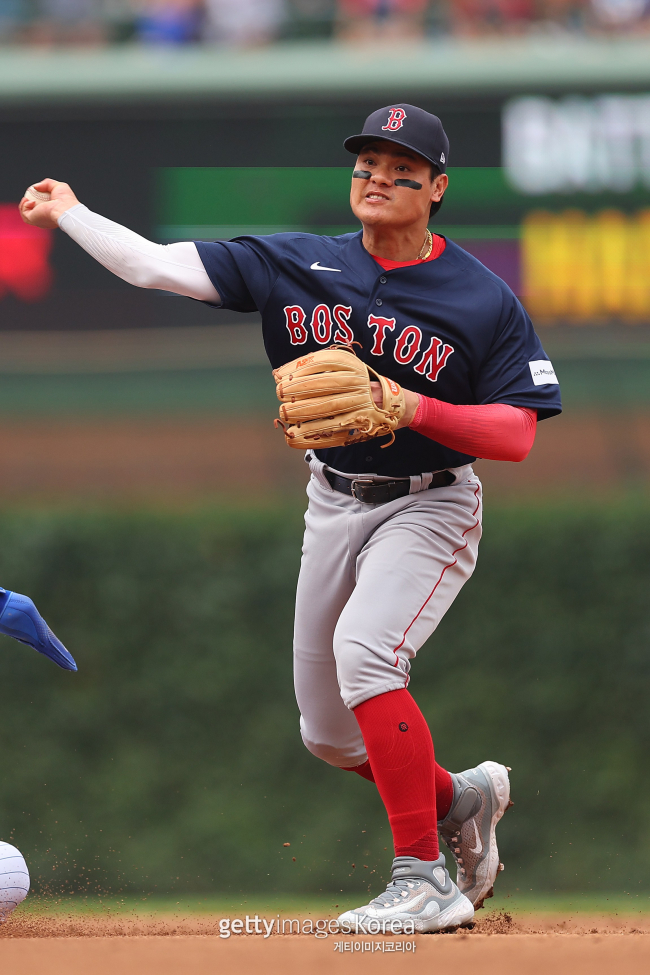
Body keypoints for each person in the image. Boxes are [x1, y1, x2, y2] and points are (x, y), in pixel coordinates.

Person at [19, 103, 561, 932]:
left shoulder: (481, 297)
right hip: (331, 497)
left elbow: (517, 433)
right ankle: (461, 798)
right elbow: (154, 266)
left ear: (438, 188)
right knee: (329, 734)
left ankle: (422, 877)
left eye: (403, 169)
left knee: (367, 655)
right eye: (367, 164)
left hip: (430, 501)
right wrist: (70, 212)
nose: (378, 178)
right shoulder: (295, 263)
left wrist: (408, 403)